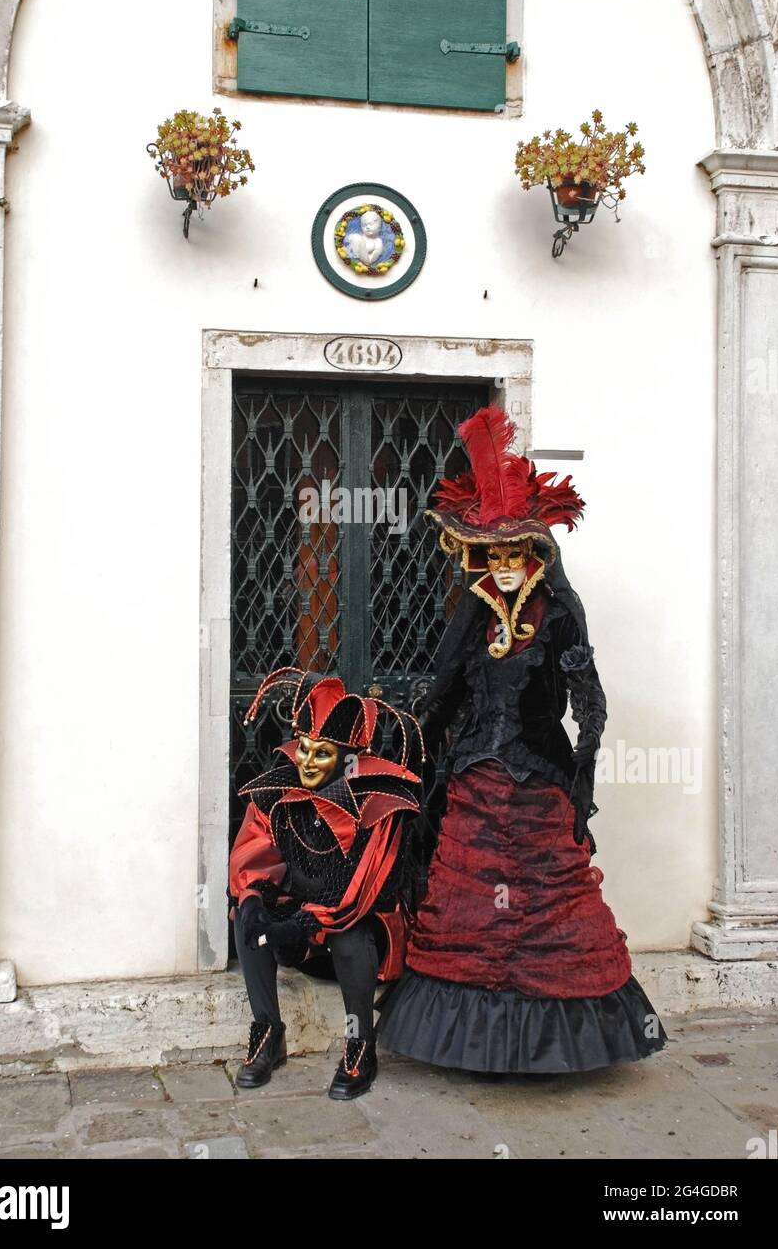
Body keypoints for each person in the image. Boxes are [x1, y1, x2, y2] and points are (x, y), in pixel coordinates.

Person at [376, 406, 668, 1074]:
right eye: (494, 556)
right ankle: (477, 1043)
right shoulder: (474, 615)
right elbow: (444, 690)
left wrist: (582, 773)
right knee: (472, 917)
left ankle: (550, 1047)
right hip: (476, 783)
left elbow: (589, 699)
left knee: (548, 914)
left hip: (536, 784)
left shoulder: (561, 616)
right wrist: (408, 748)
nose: (505, 567)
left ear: (536, 555)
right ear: (480, 558)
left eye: (516, 555)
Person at [228, 667, 421, 1098]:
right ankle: (267, 1033)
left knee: (350, 934)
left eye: (322, 755)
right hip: (303, 937)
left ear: (346, 757)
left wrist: (299, 924)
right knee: (245, 912)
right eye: (304, 751)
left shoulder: (380, 803)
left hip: (358, 938)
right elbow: (254, 859)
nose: (307, 765)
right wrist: (258, 904)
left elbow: (358, 893)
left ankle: (359, 1046)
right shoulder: (278, 789)